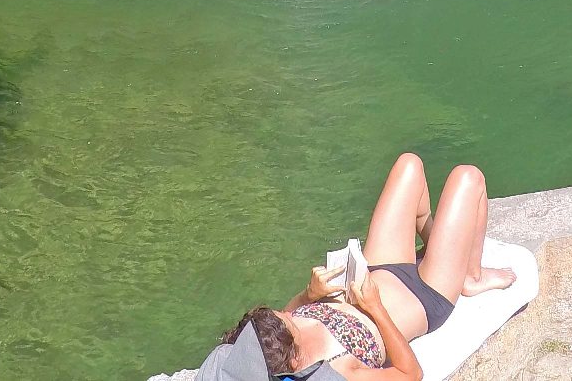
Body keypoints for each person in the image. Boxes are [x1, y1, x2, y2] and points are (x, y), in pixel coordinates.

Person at [203, 153, 515, 381]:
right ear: (294, 359)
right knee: (468, 178)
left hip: (378, 269)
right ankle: (468, 276)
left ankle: (445, 250)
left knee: (409, 166)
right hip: (426, 294)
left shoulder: (269, 344)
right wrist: (376, 309)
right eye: (288, 319)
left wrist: (309, 294)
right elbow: (411, 374)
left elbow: (288, 313)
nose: (289, 312)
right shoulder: (337, 369)